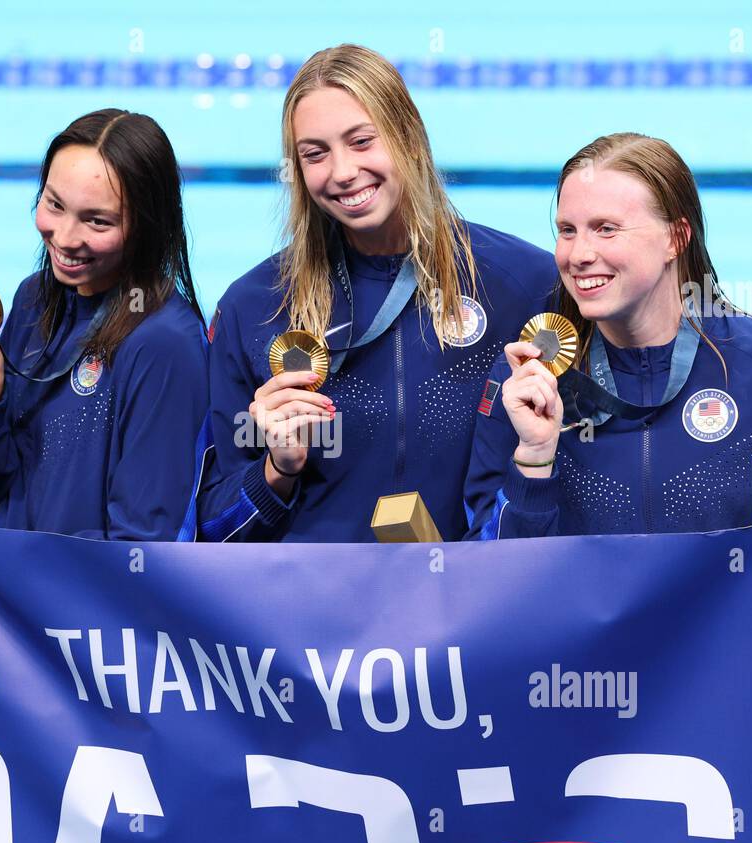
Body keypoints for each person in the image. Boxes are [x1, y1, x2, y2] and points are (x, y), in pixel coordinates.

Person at [465, 132, 752, 843]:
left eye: (606, 229)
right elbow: (488, 583)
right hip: (586, 767)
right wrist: (534, 460)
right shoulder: (529, 388)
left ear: (675, 236)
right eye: (566, 230)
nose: (578, 253)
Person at [195, 44, 555, 542]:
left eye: (362, 142)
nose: (342, 172)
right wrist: (277, 469)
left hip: (470, 606)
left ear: (408, 135)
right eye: (314, 154)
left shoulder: (522, 284)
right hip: (312, 610)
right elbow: (209, 528)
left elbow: (566, 488)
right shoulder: (255, 307)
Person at [0, 109, 207, 538]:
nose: (66, 237)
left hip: (66, 603)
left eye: (97, 220)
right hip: (3, 598)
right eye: (54, 204)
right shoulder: (36, 300)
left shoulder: (165, 345)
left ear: (147, 227)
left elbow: (137, 553)